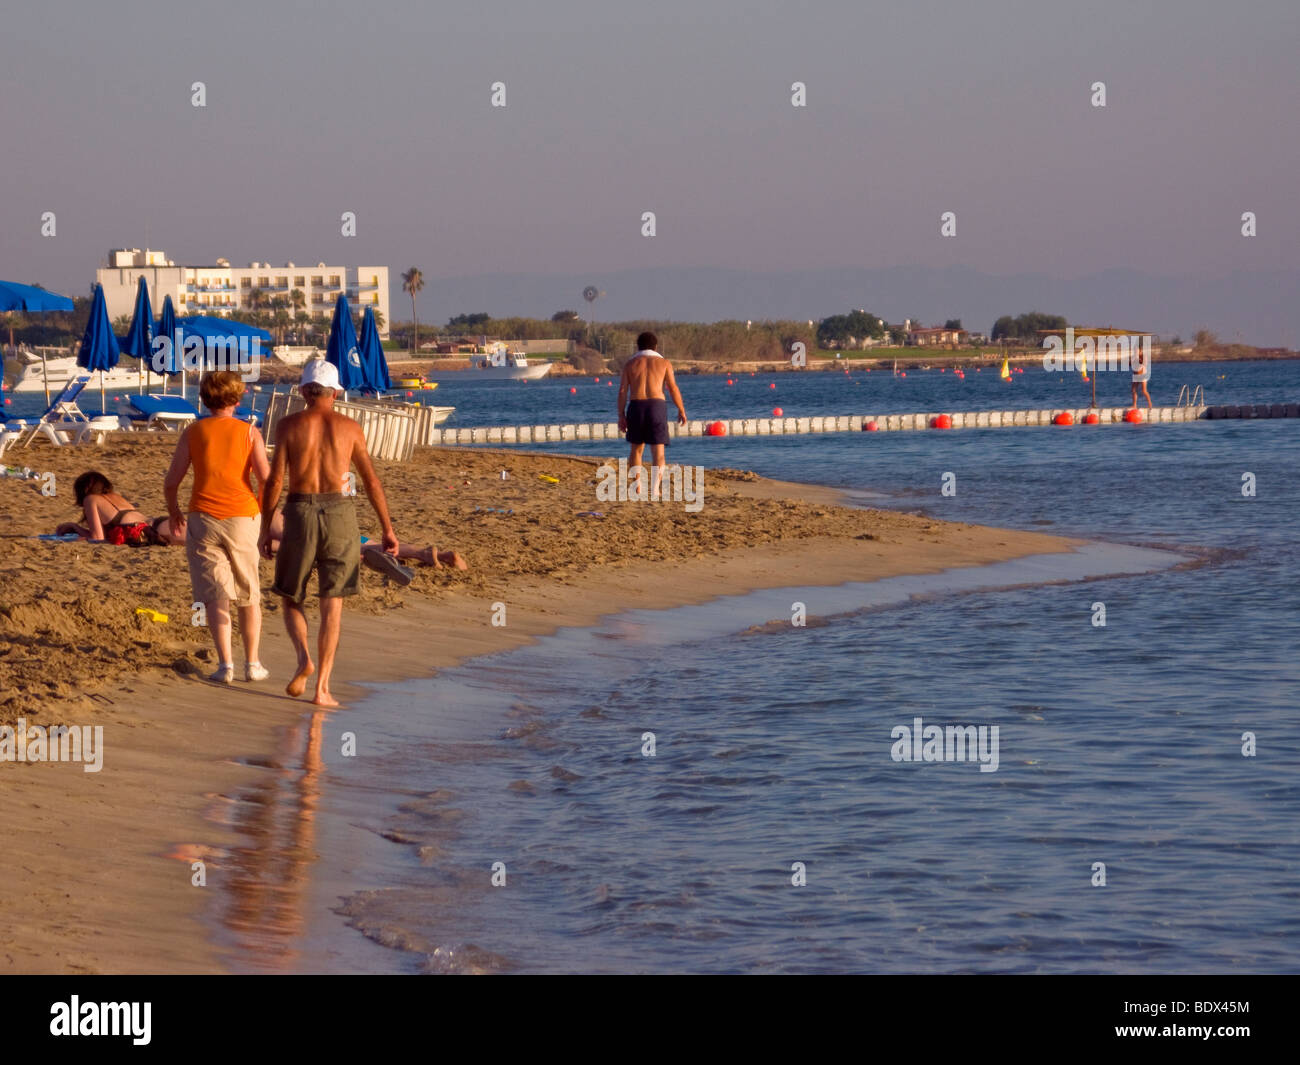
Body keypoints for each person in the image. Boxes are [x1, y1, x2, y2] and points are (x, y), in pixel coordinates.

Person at [259, 359, 399, 707]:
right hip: (340, 512)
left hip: (301, 510)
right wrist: (387, 529)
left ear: (305, 390)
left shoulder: (288, 425)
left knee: (291, 595)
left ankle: (303, 657)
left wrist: (265, 526)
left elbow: (275, 480)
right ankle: (322, 688)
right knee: (331, 602)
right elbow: (370, 481)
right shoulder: (351, 428)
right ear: (335, 392)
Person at [164, 370, 272, 685]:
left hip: (203, 517)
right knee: (248, 590)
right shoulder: (249, 432)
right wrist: (265, 514)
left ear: (205, 399)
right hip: (243, 516)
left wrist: (173, 513)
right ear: (237, 399)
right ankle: (252, 663)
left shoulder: (193, 432)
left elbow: (172, 482)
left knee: (215, 593)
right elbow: (264, 479)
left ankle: (226, 665)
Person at [153, 513, 466, 573]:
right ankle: (423, 553)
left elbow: (181, 531)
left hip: (264, 523)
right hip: (274, 518)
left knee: (337, 545)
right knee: (342, 541)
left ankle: (423, 553)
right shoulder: (199, 521)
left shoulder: (185, 529)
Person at [617, 331, 687, 499]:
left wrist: (621, 415)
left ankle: (637, 487)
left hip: (636, 405)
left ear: (638, 346)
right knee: (658, 452)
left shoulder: (630, 364)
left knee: (636, 449)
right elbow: (673, 388)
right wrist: (681, 409)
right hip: (657, 406)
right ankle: (655, 489)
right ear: (656, 346)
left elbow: (622, 391)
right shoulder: (664, 363)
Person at [57, 471, 156, 544]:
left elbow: (97, 537)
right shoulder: (115, 496)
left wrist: (75, 527)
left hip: (148, 533)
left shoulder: (90, 499)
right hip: (156, 525)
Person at [1131, 339, 1152, 409]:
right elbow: (1130, 364)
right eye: (1134, 350)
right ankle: (1134, 405)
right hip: (1136, 375)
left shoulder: (1143, 356)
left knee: (1144, 391)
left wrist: (1139, 361)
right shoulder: (1134, 356)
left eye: (1136, 350)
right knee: (1133, 390)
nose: (1135, 351)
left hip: (1142, 375)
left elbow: (1144, 364)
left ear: (1140, 350)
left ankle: (1150, 404)